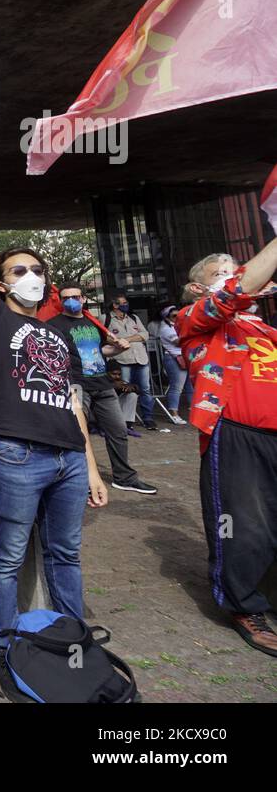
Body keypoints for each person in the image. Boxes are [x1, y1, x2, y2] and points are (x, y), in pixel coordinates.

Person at [0, 156, 108, 701]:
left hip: (68, 457)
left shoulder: (60, 334)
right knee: (7, 554)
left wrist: (90, 466)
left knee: (66, 552)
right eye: (17, 270)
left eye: (35, 269)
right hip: (17, 455)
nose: (30, 276)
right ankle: (1, 645)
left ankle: (73, 640)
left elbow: (70, 401)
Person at [175, 248, 277, 657]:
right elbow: (231, 296)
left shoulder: (266, 329)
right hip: (235, 432)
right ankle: (243, 606)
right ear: (200, 287)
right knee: (243, 524)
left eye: (235, 271)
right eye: (222, 273)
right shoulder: (194, 319)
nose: (234, 276)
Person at [46, 283, 158, 495]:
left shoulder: (93, 321)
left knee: (118, 431)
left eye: (76, 296)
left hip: (102, 384)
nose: (71, 300)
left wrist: (117, 348)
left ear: (83, 299)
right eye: (66, 297)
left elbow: (101, 351)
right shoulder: (53, 325)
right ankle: (82, 480)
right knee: (77, 435)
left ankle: (124, 477)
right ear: (60, 301)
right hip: (76, 386)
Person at [105, 293, 157, 431]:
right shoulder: (107, 318)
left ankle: (148, 418)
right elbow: (105, 337)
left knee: (145, 389)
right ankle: (124, 420)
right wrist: (132, 338)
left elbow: (145, 334)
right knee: (123, 389)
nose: (126, 305)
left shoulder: (133, 318)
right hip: (121, 360)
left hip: (140, 358)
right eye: (123, 303)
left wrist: (126, 339)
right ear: (115, 305)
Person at [157, 304, 191, 425]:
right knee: (177, 387)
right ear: (167, 317)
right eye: (174, 316)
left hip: (184, 357)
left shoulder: (178, 326)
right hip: (174, 358)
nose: (177, 317)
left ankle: (193, 411)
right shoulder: (165, 328)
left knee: (190, 386)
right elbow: (178, 342)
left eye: (179, 315)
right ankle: (174, 414)